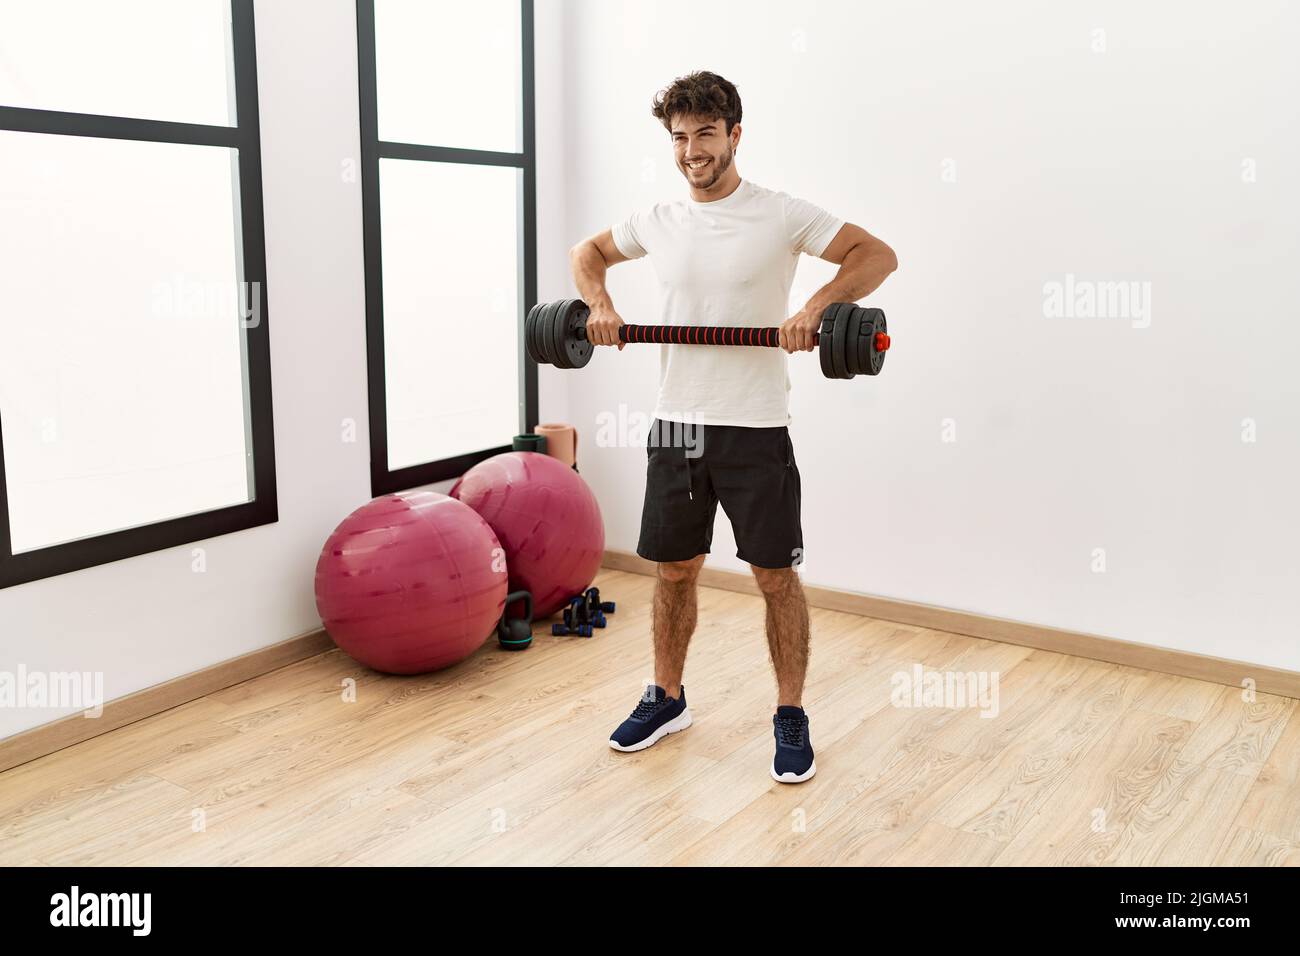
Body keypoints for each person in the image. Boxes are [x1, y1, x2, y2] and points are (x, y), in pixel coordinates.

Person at [568, 71, 897, 783]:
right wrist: (599, 303)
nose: (692, 150)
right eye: (680, 137)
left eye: (706, 134)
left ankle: (789, 713)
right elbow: (586, 254)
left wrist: (817, 305)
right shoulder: (657, 220)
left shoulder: (779, 214)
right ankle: (668, 697)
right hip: (677, 425)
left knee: (775, 576)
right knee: (674, 570)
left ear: (734, 135)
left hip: (754, 427)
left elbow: (877, 254)